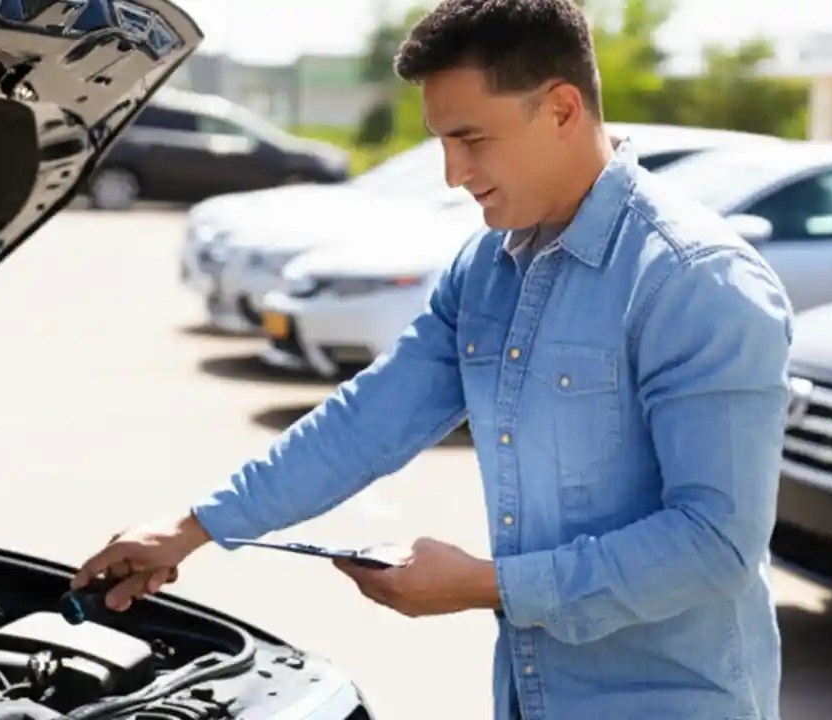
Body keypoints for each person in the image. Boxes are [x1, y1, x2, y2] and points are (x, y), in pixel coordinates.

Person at [71, 1, 793, 718]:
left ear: (564, 110)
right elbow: (368, 420)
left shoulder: (694, 280)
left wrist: (488, 585)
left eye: (472, 138)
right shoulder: (487, 267)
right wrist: (193, 527)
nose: (452, 173)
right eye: (442, 141)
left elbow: (715, 545)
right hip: (529, 696)